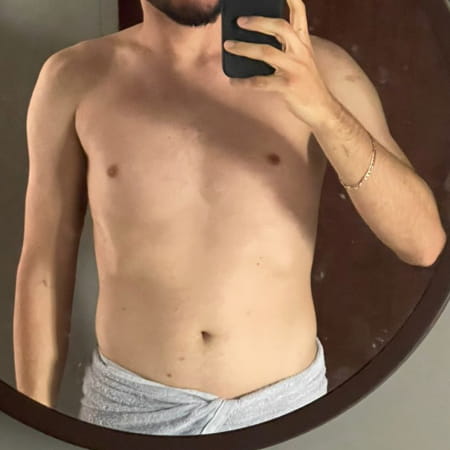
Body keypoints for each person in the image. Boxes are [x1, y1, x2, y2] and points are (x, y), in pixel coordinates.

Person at [13, 0, 446, 436]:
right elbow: (44, 268)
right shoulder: (73, 77)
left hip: (287, 409)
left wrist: (322, 109)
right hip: (133, 411)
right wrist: (35, 427)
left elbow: (423, 243)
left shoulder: (320, 69)